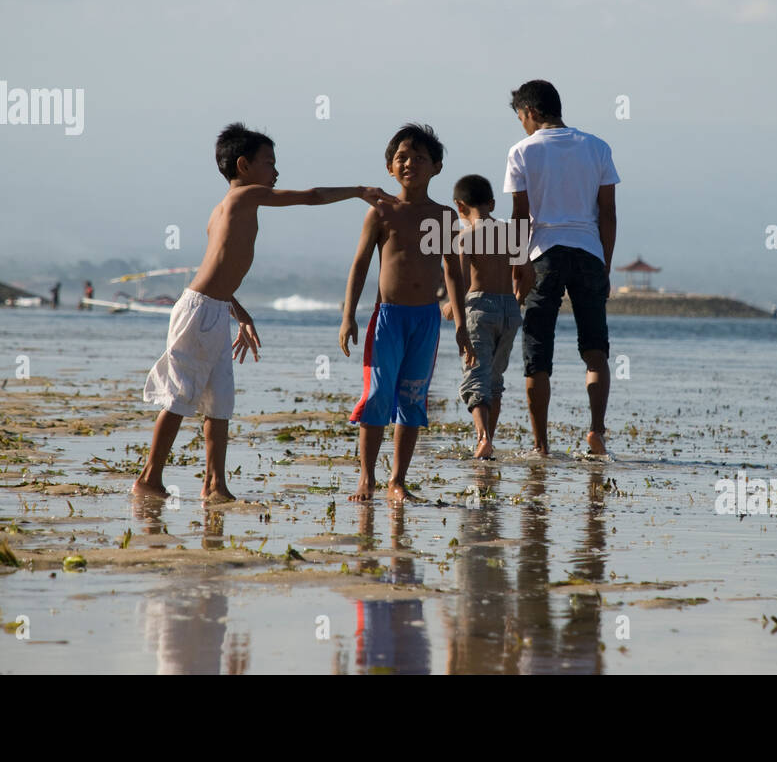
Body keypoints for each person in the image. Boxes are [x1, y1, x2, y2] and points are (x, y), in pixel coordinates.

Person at [134, 122, 395, 503]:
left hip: (216, 309)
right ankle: (149, 477)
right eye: (269, 162)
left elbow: (217, 270)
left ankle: (215, 484)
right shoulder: (240, 200)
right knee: (179, 396)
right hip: (199, 311)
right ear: (243, 165)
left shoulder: (230, 208)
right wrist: (358, 191)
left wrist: (239, 313)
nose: (275, 172)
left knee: (219, 401)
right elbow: (311, 196)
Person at [340, 123, 474, 503]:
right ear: (389, 168)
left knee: (412, 398)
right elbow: (361, 264)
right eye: (401, 157)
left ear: (437, 167)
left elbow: (451, 268)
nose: (409, 163)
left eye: (419, 158)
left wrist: (461, 322)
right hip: (388, 319)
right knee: (379, 395)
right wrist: (349, 314)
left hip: (426, 319)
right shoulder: (383, 212)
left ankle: (397, 481)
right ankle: (366, 478)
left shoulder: (443, 216)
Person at [504, 80, 619, 457]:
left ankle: (540, 445)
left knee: (537, 350)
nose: (522, 124)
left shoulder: (522, 151)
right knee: (595, 350)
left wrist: (518, 263)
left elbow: (520, 215)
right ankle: (597, 433)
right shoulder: (597, 147)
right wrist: (605, 263)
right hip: (588, 252)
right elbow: (608, 213)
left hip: (543, 254)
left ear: (531, 113)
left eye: (521, 117)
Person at [439, 174, 523, 460]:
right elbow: (527, 275)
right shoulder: (511, 234)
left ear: (460, 208)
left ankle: (483, 437)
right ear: (492, 203)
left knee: (475, 376)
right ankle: (489, 442)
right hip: (510, 310)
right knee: (495, 379)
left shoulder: (464, 237)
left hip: (479, 307)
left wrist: (448, 307)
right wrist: (514, 302)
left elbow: (460, 281)